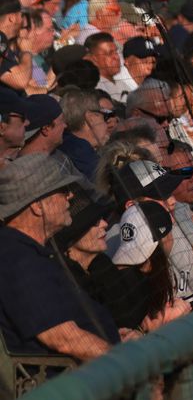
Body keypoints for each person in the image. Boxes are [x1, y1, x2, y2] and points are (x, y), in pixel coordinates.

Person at [1, 155, 118, 363]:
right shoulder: (17, 259)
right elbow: (64, 338)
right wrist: (126, 361)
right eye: (62, 191)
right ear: (38, 206)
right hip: (73, 385)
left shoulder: (28, 251)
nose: (71, 196)